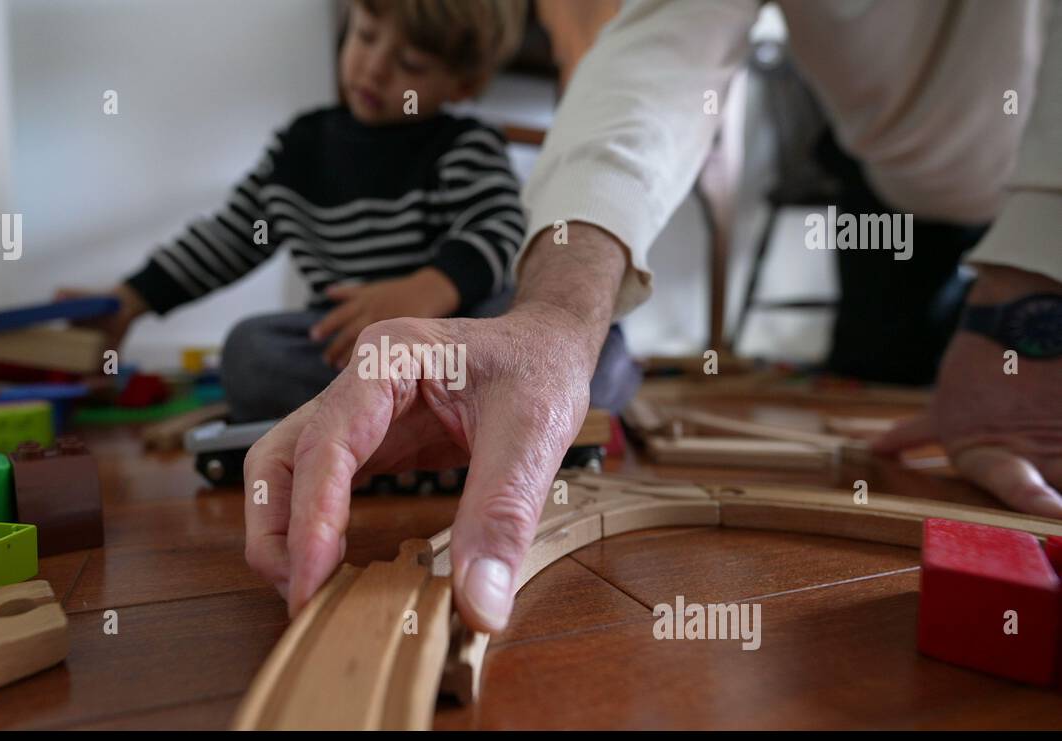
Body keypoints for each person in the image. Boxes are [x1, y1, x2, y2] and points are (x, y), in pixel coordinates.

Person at [243, 0, 1062, 634]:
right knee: (893, 374)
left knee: (1014, 423)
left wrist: (1032, 299)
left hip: (1042, 163)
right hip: (892, 186)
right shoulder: (305, 142)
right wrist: (558, 320)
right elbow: (659, 55)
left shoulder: (462, 149)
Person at [62, 0, 636, 422]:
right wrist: (130, 302)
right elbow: (230, 237)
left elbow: (499, 228)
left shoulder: (464, 145)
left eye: (410, 63)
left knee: (589, 340)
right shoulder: (300, 149)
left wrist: (428, 289)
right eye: (364, 36)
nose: (375, 70)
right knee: (249, 353)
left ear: (464, 83)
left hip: (454, 345)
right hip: (351, 356)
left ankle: (463, 414)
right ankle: (446, 421)